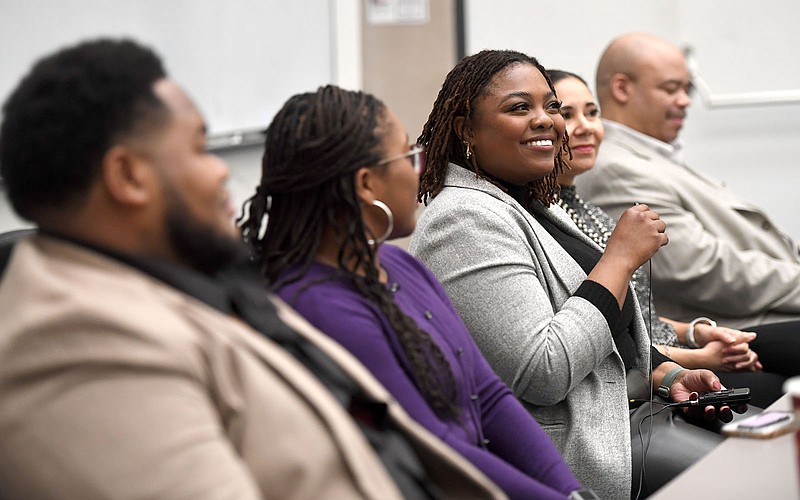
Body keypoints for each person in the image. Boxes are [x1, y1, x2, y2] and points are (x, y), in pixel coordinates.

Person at [0, 38, 507, 500]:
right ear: (127, 176)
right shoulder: (81, 342)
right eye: (200, 148)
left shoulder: (186, 283)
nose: (224, 169)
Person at [408, 49, 744, 500]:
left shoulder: (531, 200)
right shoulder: (463, 219)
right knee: (750, 475)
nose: (546, 119)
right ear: (466, 129)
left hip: (638, 409)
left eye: (550, 105)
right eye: (519, 107)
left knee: (773, 443)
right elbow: (542, 371)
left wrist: (664, 374)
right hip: (582, 449)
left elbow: (606, 337)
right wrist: (618, 259)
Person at [239, 84, 590, 500]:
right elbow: (435, 449)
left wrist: (571, 492)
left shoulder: (397, 263)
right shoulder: (318, 307)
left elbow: (490, 396)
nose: (420, 171)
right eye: (408, 157)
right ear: (366, 184)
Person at [550, 68, 798, 408]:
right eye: (565, 114)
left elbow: (634, 308)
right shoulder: (553, 218)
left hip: (671, 347)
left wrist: (696, 332)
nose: (586, 127)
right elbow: (603, 329)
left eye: (592, 113)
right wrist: (698, 357)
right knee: (781, 386)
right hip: (644, 370)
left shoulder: (584, 208)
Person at [577, 32, 800, 330]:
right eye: (671, 89)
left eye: (687, 90)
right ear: (621, 88)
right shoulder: (616, 168)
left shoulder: (648, 154)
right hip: (733, 330)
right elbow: (700, 270)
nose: (684, 101)